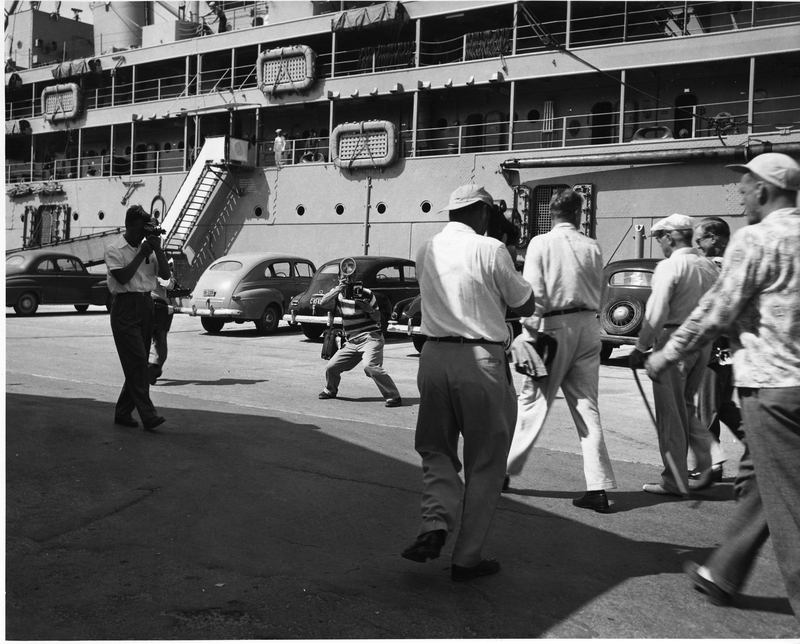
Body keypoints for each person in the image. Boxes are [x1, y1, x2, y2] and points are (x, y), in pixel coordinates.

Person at [646, 153, 800, 621]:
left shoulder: (757, 239)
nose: (739, 192)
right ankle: (724, 574)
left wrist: (666, 353)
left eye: (745, 183)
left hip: (773, 387)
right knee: (758, 480)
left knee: (789, 502)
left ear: (765, 190)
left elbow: (717, 311)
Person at [401, 184, 535, 582]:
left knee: (436, 449)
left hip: (434, 357)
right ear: (481, 213)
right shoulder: (491, 248)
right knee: (486, 462)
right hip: (480, 360)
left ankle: (435, 522)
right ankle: (467, 558)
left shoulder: (426, 248)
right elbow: (524, 303)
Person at [504, 188, 617, 512]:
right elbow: (602, 289)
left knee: (533, 402)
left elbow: (533, 291)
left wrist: (528, 331)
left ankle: (503, 472)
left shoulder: (541, 243)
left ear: (550, 214)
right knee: (587, 409)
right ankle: (597, 488)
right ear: (580, 214)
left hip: (553, 328)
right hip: (588, 327)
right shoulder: (592, 246)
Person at [628, 213, 719, 496]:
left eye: (659, 239)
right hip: (703, 343)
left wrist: (641, 347)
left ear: (670, 237)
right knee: (686, 407)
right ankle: (709, 460)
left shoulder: (670, 266)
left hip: (673, 341)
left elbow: (656, 314)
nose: (660, 244)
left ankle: (674, 480)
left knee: (671, 413)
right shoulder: (708, 266)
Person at [105, 205, 170, 431]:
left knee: (138, 363)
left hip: (146, 304)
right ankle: (148, 415)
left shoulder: (149, 249)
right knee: (137, 364)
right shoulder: (114, 249)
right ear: (129, 225)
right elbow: (122, 277)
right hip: (125, 306)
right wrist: (142, 253)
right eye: (140, 229)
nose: (143, 233)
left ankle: (123, 412)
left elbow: (165, 276)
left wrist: (157, 250)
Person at [692, 217, 744, 481]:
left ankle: (711, 465)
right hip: (734, 343)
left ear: (713, 238)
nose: (698, 246)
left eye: (700, 240)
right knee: (723, 404)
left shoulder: (711, 266)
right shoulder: (740, 260)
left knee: (709, 407)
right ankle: (759, 446)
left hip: (715, 343)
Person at [316, 270, 402, 408]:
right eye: (344, 276)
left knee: (370, 366)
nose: (348, 279)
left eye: (351, 276)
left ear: (355, 277)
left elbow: (378, 317)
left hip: (370, 338)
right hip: (351, 341)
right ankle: (330, 390)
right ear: (339, 278)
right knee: (331, 367)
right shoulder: (338, 293)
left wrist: (369, 309)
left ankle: (394, 396)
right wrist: (339, 288)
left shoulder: (366, 293)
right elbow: (322, 302)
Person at [148, 258, 177, 386]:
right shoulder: (160, 269)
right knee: (161, 339)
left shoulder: (144, 267)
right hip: (160, 305)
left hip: (147, 304)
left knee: (150, 338)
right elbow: (169, 285)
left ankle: (152, 366)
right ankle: (155, 367)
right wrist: (171, 276)